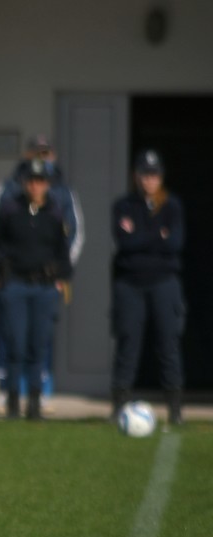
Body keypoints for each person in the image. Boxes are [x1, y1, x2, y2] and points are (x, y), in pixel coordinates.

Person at [0, 134, 84, 412]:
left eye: (46, 152)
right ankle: (11, 395)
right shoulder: (8, 198)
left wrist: (62, 276)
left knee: (39, 343)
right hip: (14, 283)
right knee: (14, 341)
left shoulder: (59, 202)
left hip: (45, 284)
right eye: (36, 153)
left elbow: (69, 242)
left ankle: (38, 397)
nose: (36, 185)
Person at [110, 149, 186, 425]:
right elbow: (124, 243)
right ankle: (118, 405)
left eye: (154, 175)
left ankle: (175, 409)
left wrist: (141, 236)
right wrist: (157, 236)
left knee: (168, 344)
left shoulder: (172, 206)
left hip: (164, 282)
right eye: (145, 175)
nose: (149, 180)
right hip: (130, 283)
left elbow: (175, 243)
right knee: (127, 343)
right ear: (136, 176)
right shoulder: (123, 205)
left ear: (161, 177)